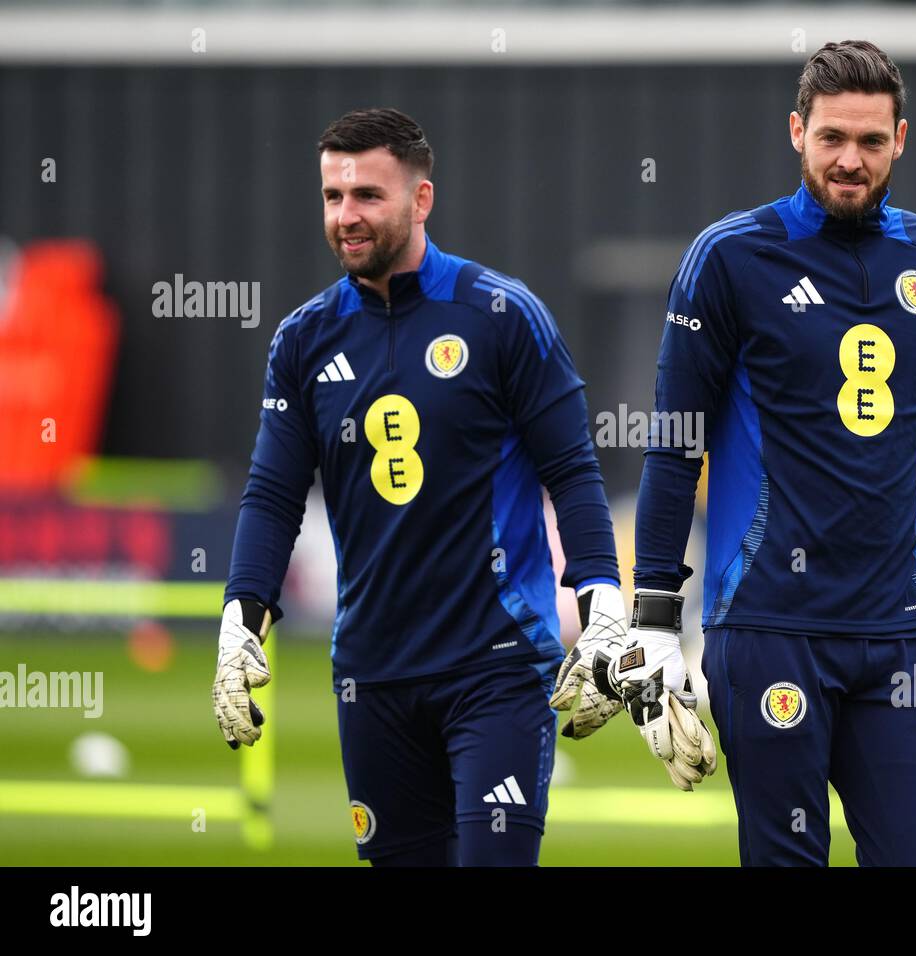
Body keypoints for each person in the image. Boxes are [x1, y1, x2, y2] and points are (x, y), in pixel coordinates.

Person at [619, 40, 916, 866]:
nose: (850, 160)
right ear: (797, 131)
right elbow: (674, 444)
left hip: (899, 635)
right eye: (832, 137)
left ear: (901, 140)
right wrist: (654, 622)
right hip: (768, 628)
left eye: (871, 142)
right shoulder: (730, 258)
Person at [212, 107, 625, 866]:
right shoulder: (303, 340)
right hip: (372, 674)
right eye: (334, 197)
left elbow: (572, 472)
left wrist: (605, 613)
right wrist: (240, 618)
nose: (347, 217)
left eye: (368, 194)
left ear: (421, 199)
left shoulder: (502, 316)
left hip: (496, 666)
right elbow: (272, 495)